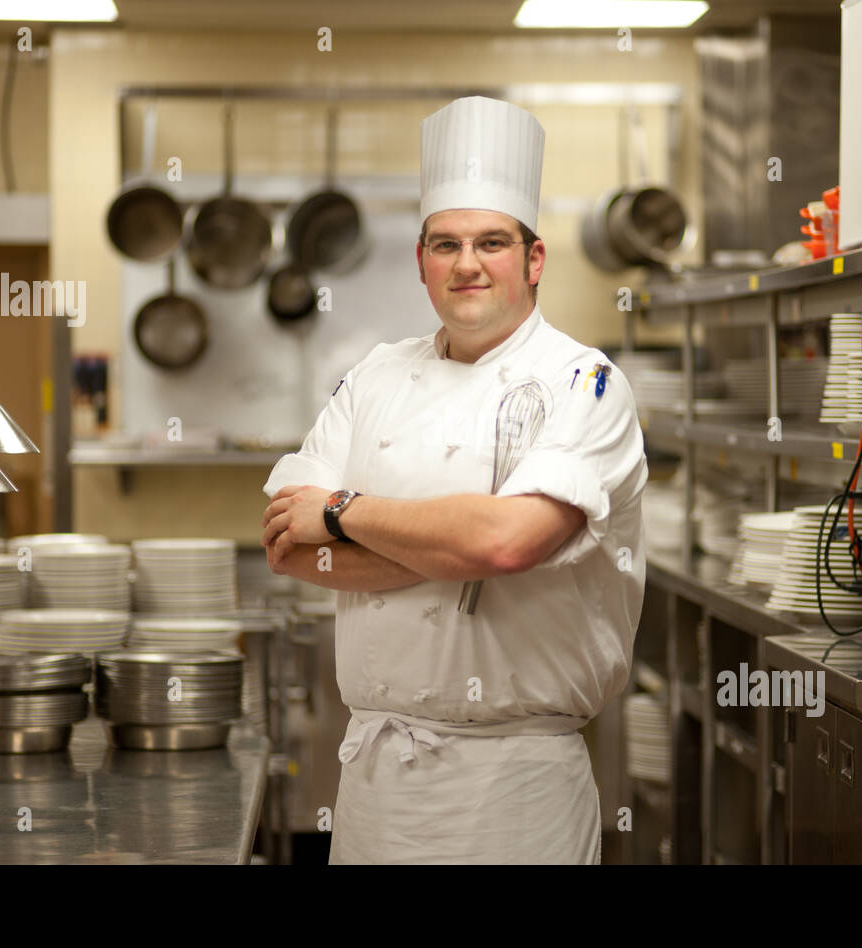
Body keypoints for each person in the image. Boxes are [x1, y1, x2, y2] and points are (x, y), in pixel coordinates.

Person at [260, 95, 647, 864]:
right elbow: (284, 540)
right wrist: (448, 545)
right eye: (446, 244)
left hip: (514, 791)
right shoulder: (376, 373)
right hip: (372, 785)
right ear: (422, 261)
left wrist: (340, 509)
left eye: (492, 242)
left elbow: (506, 542)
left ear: (533, 260)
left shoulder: (584, 382)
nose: (467, 263)